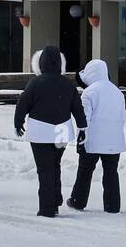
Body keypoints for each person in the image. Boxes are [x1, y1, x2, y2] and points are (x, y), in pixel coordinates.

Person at [14, 45, 86, 218]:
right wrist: (82, 127)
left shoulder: (35, 83)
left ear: (41, 63)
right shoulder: (67, 84)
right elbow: (77, 108)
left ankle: (47, 207)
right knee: (55, 165)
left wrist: (18, 122)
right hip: (62, 129)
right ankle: (55, 200)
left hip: (40, 130)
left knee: (44, 169)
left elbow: (22, 104)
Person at [67, 59, 126, 214]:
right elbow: (122, 117)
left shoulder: (90, 92)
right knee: (111, 172)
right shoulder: (117, 91)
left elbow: (84, 119)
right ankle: (112, 206)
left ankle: (78, 201)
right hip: (114, 140)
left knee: (85, 171)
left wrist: (81, 138)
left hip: (92, 141)